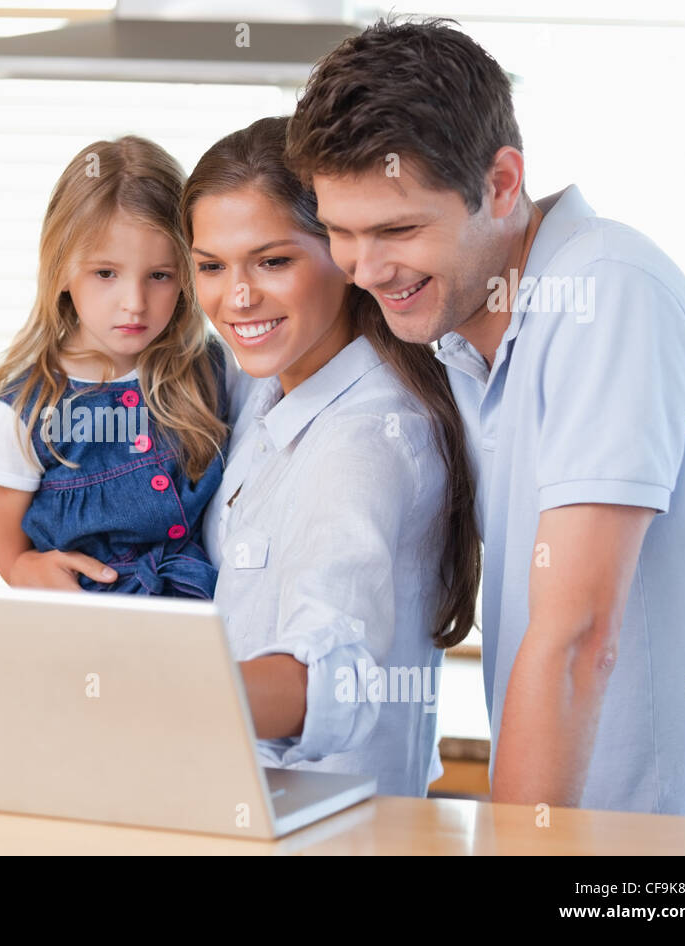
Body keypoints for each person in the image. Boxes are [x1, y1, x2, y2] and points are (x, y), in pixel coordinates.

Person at [287, 17, 685, 817]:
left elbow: (577, 639)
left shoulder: (605, 293)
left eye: (398, 229)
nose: (366, 268)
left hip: (653, 843)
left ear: (501, 183)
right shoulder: (464, 335)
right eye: (340, 233)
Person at [183, 116, 481, 796]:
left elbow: (333, 677)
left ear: (345, 259)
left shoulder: (366, 440)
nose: (237, 298)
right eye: (210, 266)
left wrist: (151, 695)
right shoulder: (261, 387)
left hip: (336, 833)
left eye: (273, 261)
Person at [0, 136, 233, 598]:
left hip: (198, 625)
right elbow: (11, 557)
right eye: (106, 273)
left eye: (160, 275)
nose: (135, 303)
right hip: (86, 630)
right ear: (63, 269)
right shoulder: (21, 414)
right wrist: (32, 569)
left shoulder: (211, 370)